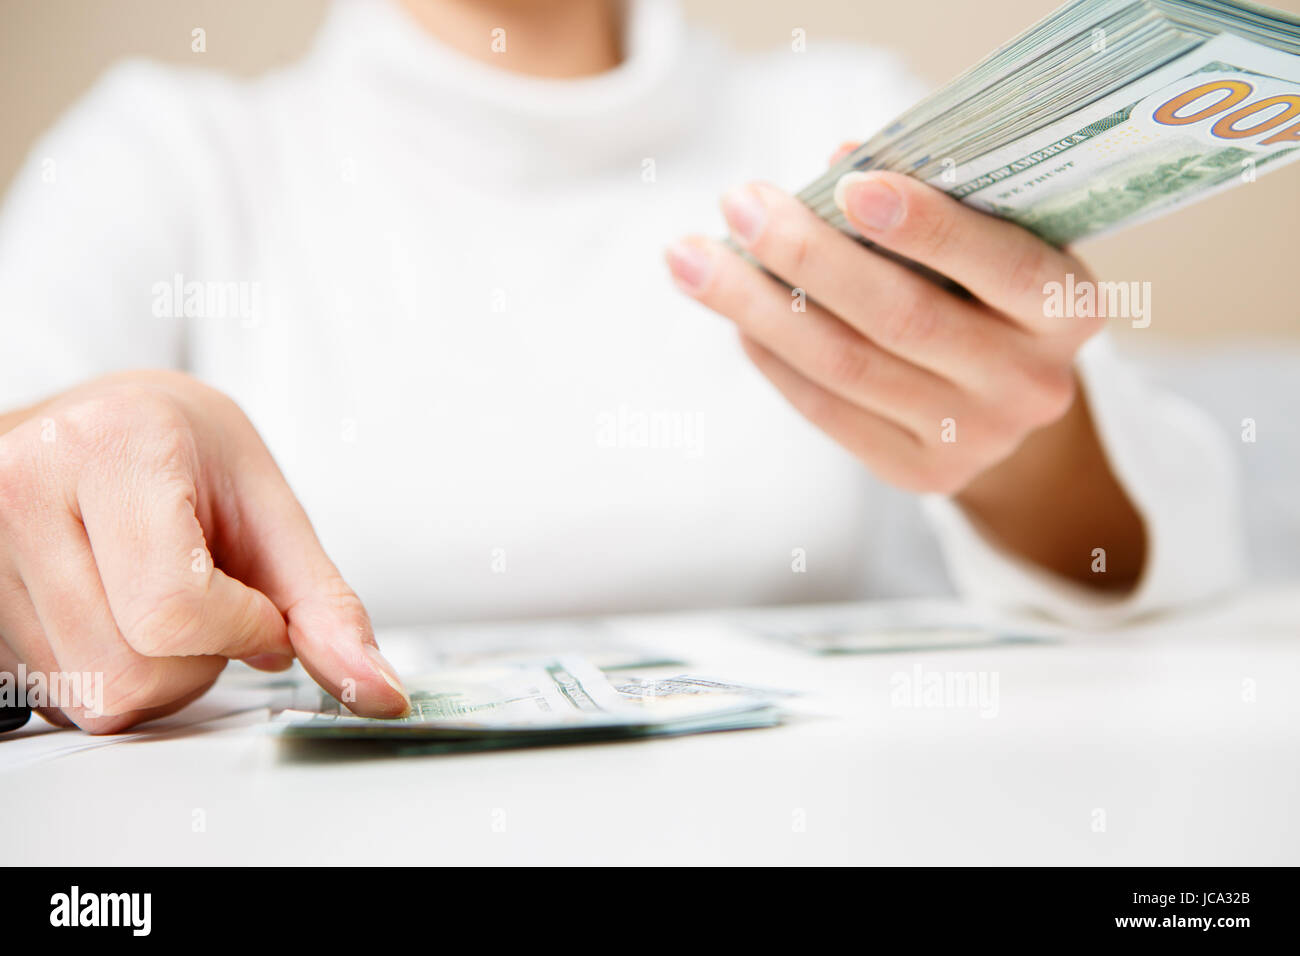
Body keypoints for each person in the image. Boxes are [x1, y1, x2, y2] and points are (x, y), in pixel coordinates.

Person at [0, 0, 1243, 732]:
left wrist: (1015, 433)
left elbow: (1154, 555)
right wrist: (62, 472)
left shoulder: (849, 120)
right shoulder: (169, 151)